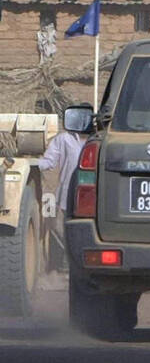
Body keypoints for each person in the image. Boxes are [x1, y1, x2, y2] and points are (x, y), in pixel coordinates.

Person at [36, 112, 88, 261]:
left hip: (92, 197)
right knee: (68, 230)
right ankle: (68, 262)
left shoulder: (98, 139)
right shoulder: (64, 139)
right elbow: (49, 161)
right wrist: (28, 164)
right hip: (68, 195)